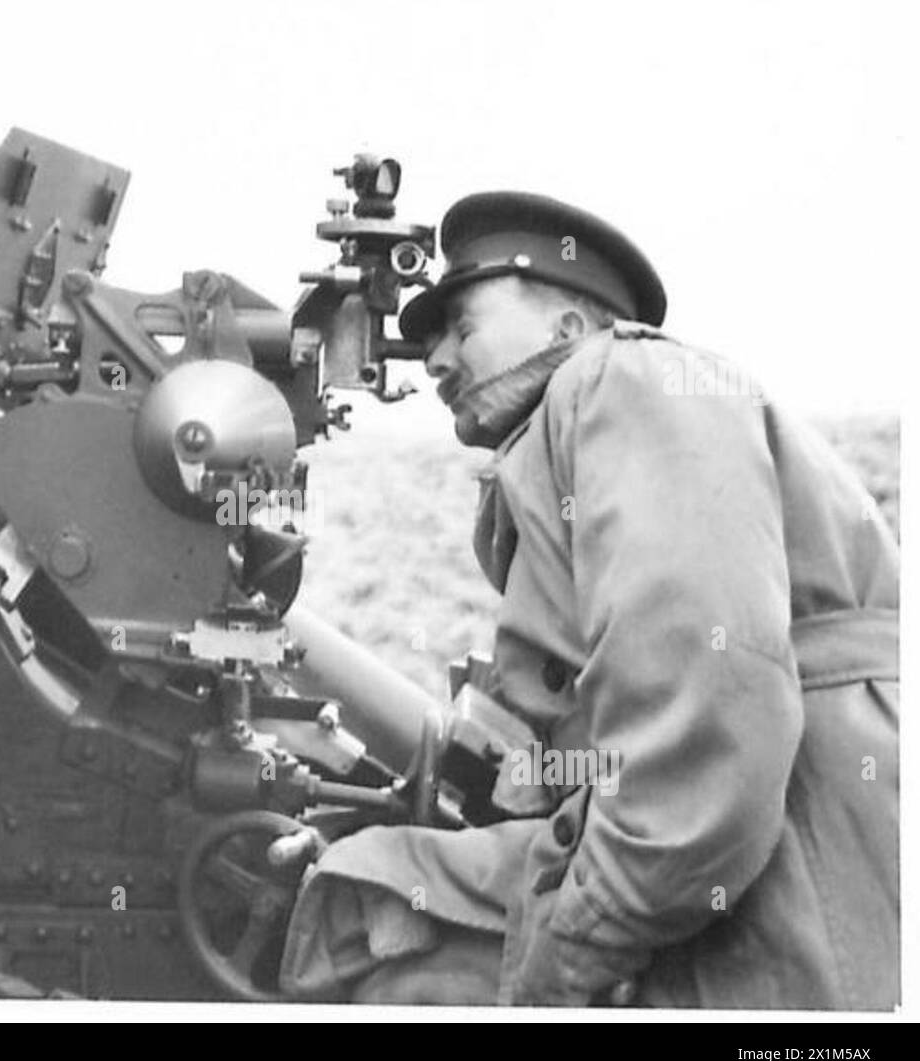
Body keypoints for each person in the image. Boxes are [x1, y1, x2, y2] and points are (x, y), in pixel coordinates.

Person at [278, 192, 899, 1008]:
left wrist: (564, 962)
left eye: (462, 327)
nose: (433, 362)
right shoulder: (556, 458)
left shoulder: (620, 378)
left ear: (570, 329)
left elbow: (703, 719)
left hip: (804, 883)